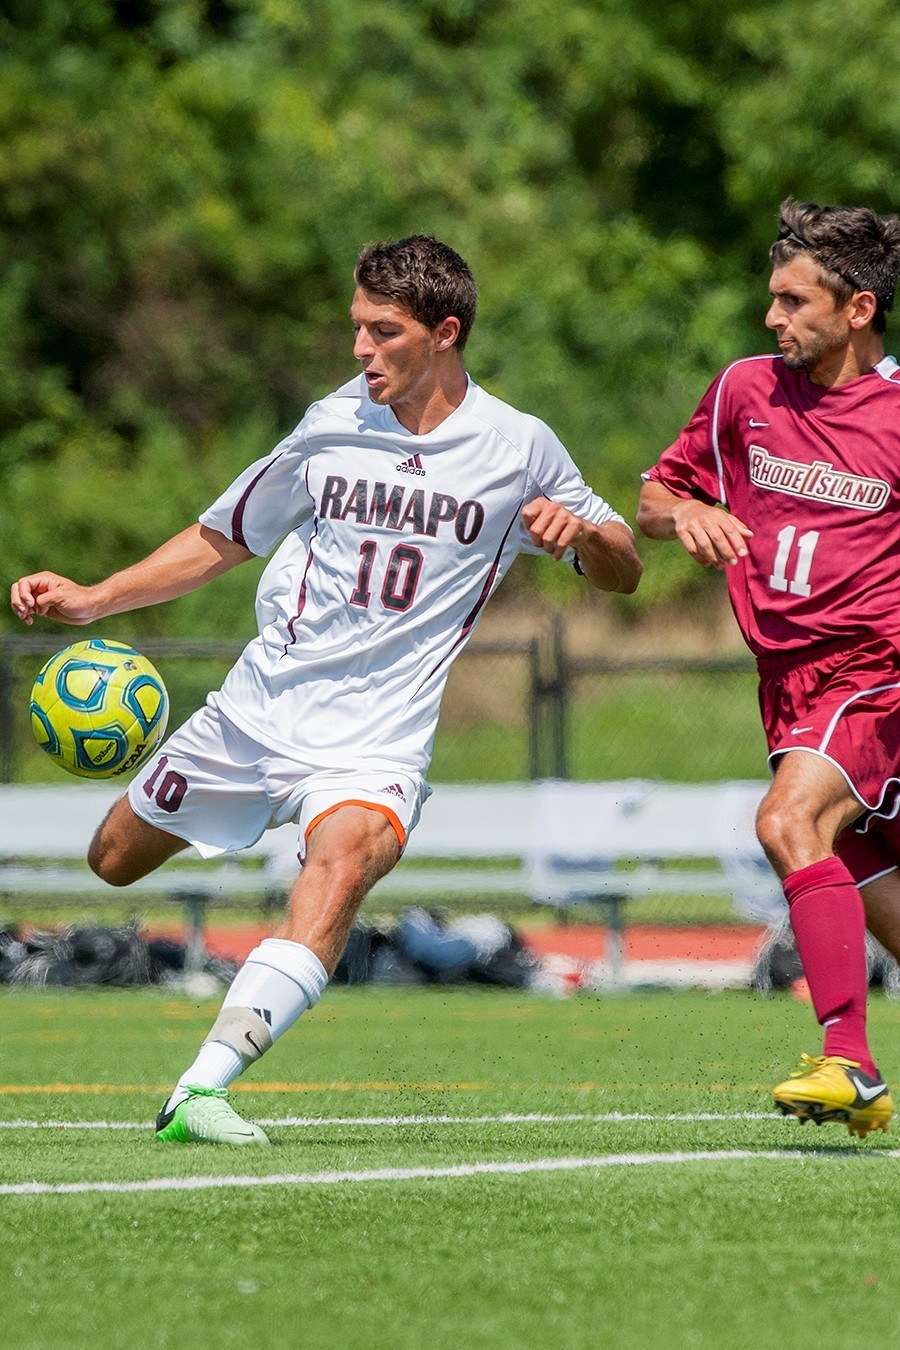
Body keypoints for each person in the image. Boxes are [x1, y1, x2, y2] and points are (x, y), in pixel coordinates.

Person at [11, 234, 642, 1145]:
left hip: (375, 741)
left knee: (341, 863)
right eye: (356, 327)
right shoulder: (328, 424)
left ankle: (202, 1089)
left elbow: (623, 567)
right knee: (111, 859)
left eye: (383, 332)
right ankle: (222, 814)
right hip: (258, 710)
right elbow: (223, 535)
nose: (360, 349)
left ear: (445, 333)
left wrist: (582, 530)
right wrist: (95, 597)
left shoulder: (519, 447)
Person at [637, 199, 900, 1139]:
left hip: (874, 676)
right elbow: (655, 494)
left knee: (790, 822)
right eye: (772, 298)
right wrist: (684, 516)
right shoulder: (746, 390)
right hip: (787, 686)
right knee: (866, 879)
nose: (771, 318)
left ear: (858, 309)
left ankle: (850, 1065)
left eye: (792, 301)